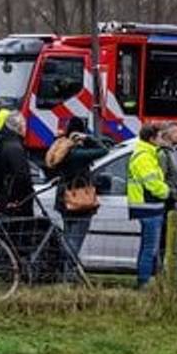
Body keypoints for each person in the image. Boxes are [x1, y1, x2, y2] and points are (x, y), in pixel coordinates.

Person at [45, 118, 110, 283]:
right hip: (79, 200)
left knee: (68, 235)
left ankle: (66, 270)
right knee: (75, 239)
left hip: (64, 198)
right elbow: (103, 150)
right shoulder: (77, 154)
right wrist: (87, 139)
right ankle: (68, 273)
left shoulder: (62, 149)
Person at [127, 124, 170, 287]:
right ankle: (143, 282)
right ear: (152, 139)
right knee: (150, 248)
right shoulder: (144, 156)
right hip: (148, 206)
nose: (161, 140)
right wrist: (167, 191)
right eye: (159, 137)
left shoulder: (148, 154)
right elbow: (152, 183)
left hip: (149, 206)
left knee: (148, 246)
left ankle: (144, 280)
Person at [0, 113, 34, 215]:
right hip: (16, 202)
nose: (26, 129)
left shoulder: (0, 143)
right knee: (20, 228)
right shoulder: (14, 147)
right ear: (19, 127)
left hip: (1, 195)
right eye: (24, 125)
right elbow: (21, 175)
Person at [157, 122, 177, 277]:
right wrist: (172, 194)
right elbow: (161, 179)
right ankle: (170, 273)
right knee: (169, 240)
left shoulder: (173, 153)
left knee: (176, 240)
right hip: (171, 204)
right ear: (167, 134)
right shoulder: (164, 154)